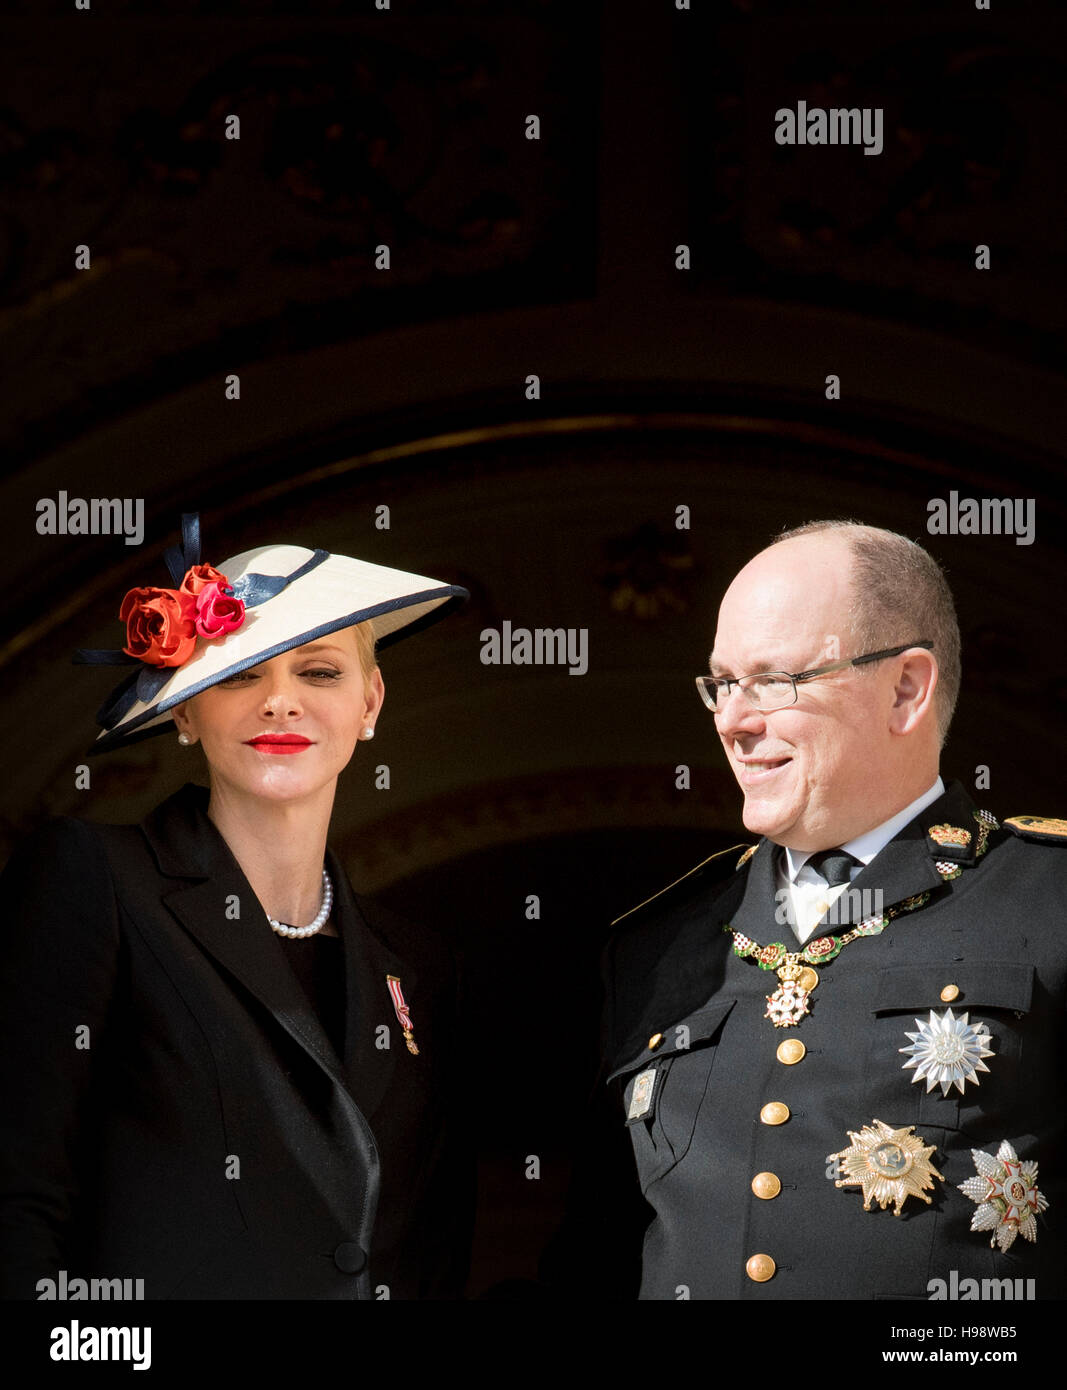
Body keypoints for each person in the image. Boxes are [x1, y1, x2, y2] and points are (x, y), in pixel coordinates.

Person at [0, 514, 472, 1300]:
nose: (280, 702)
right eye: (241, 674)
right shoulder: (94, 880)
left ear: (370, 701)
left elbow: (432, 1249)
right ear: (183, 711)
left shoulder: (419, 965)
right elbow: (14, 1201)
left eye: (319, 673)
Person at [597, 520, 1065, 1300]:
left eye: (774, 681)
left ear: (906, 687)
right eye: (721, 683)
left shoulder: (1047, 898)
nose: (732, 721)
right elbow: (599, 1256)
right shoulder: (658, 943)